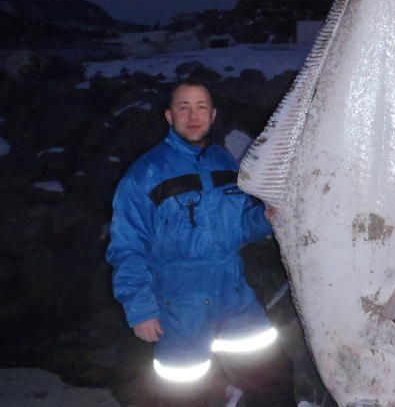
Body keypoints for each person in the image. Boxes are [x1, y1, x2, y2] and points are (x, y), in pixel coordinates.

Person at [106, 80, 294, 407]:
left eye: (201, 106)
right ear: (169, 115)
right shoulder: (144, 174)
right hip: (179, 307)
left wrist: (267, 216)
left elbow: (239, 227)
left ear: (213, 114)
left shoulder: (225, 162)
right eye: (183, 107)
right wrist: (140, 310)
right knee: (187, 396)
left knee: (273, 381)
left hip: (235, 297)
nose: (193, 115)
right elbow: (126, 248)